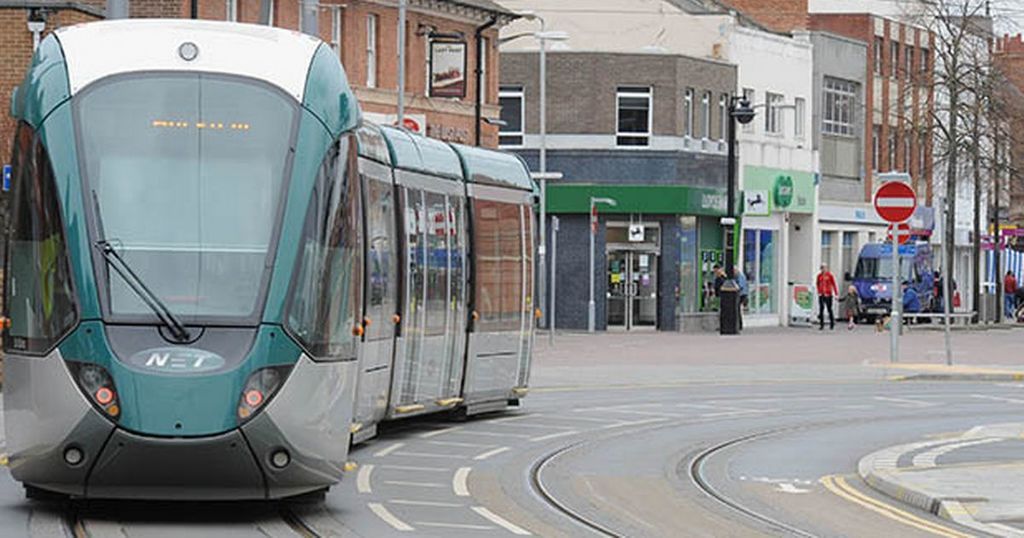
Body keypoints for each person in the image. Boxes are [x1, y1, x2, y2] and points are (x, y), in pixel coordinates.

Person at [816, 264, 839, 330]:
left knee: (829, 309)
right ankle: (821, 325)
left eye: (824, 268)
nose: (823, 269)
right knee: (821, 309)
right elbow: (817, 283)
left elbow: (833, 284)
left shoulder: (830, 275)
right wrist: (819, 291)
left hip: (828, 294)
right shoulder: (819, 276)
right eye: (822, 268)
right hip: (821, 294)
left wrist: (836, 293)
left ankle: (832, 323)